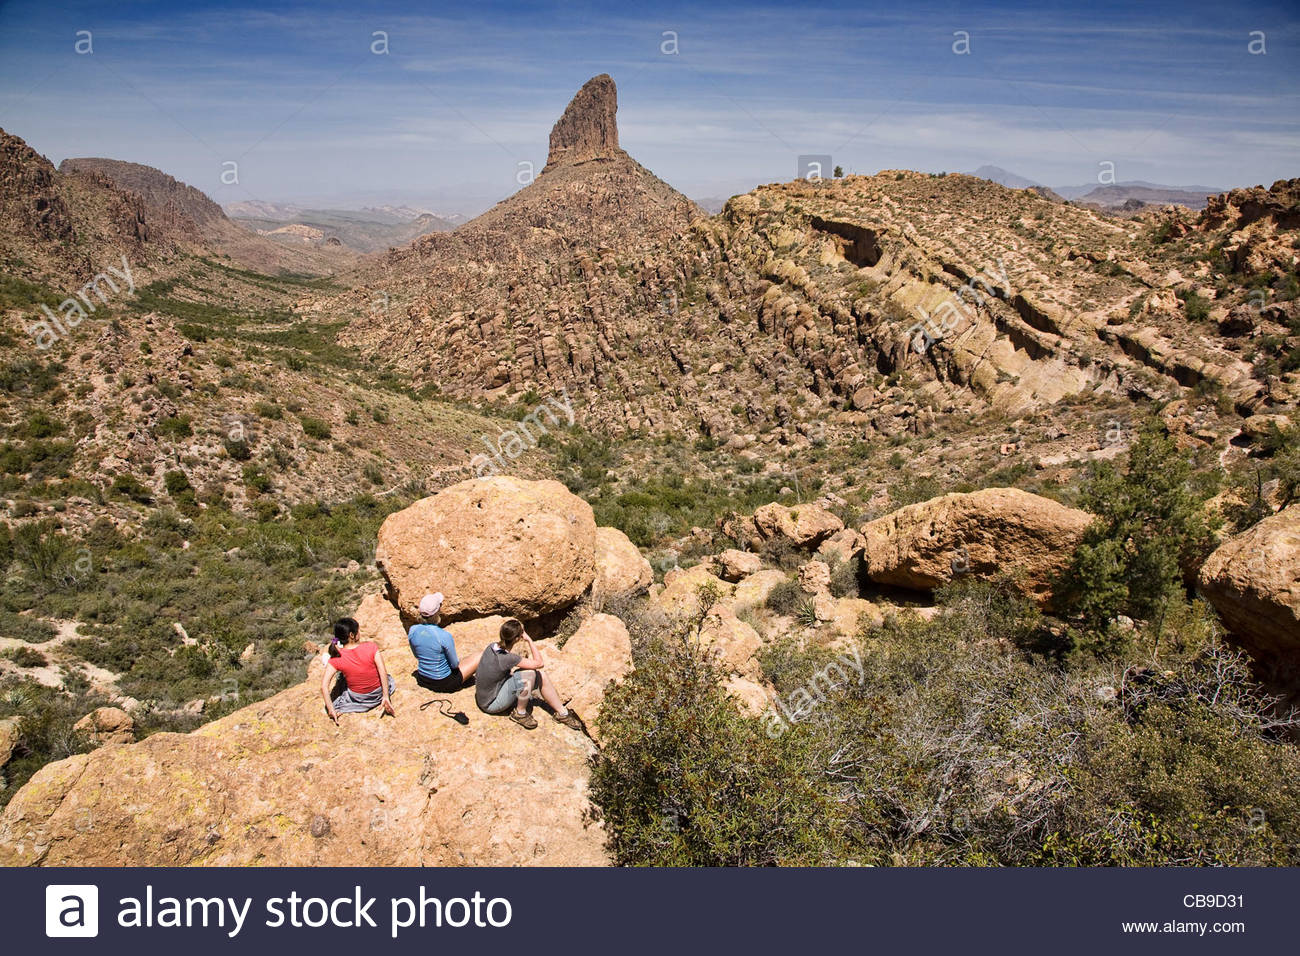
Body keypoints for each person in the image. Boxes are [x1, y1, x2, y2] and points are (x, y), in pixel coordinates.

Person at [475, 617, 584, 731]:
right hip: (491, 704)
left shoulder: (492, 646)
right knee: (530, 674)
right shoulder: (508, 658)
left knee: (541, 675)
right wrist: (529, 640)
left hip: (484, 697)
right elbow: (539, 663)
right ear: (517, 639)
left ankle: (563, 713)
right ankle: (520, 713)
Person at [321, 617, 396, 722]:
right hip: (378, 693)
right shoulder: (371, 647)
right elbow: (382, 671)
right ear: (352, 635)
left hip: (359, 698)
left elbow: (324, 686)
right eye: (358, 631)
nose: (359, 633)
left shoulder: (336, 658)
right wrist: (386, 696)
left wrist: (331, 709)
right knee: (389, 678)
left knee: (341, 681)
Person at [407, 592, 482, 693]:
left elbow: (417, 655)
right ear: (438, 611)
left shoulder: (413, 630)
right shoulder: (443, 635)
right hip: (443, 682)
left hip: (422, 678)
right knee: (480, 656)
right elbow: (454, 665)